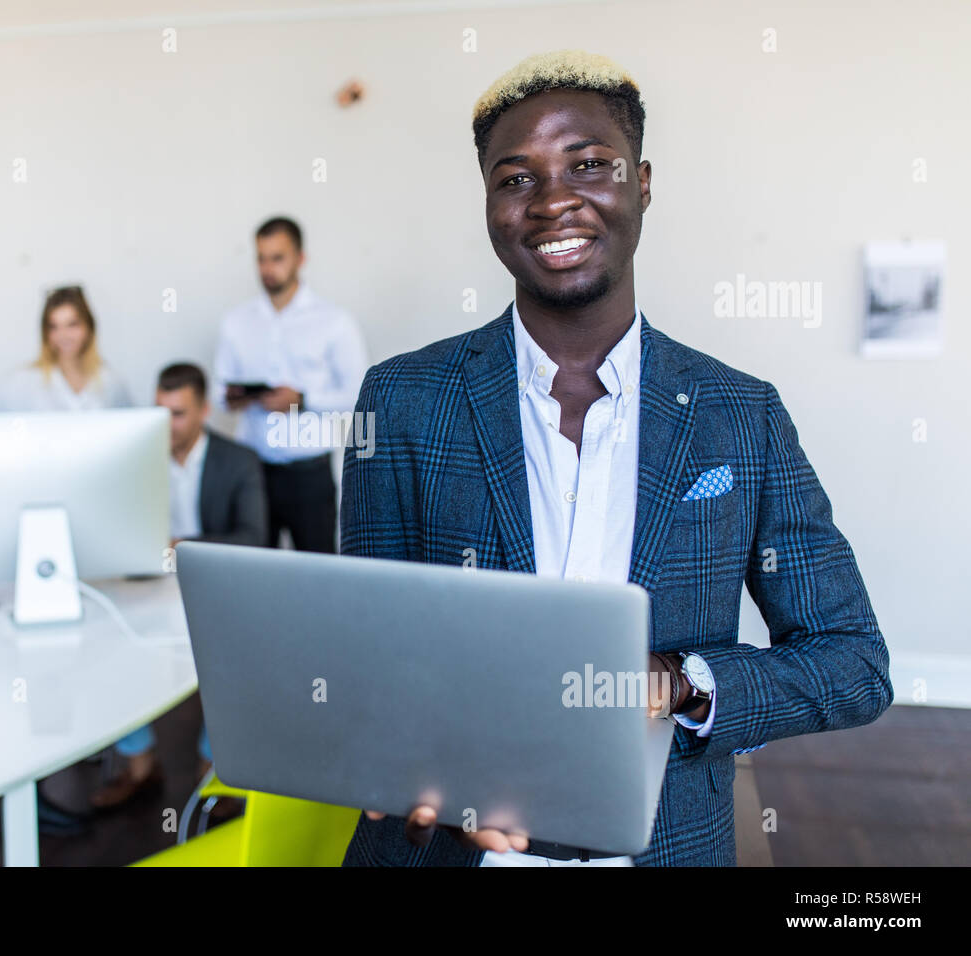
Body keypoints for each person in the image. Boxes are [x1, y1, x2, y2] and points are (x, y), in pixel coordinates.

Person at [339, 50, 892, 867]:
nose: (554, 200)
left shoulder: (742, 415)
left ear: (641, 182)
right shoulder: (404, 398)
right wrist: (420, 777)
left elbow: (853, 662)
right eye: (515, 177)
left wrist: (678, 681)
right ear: (489, 204)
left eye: (589, 165)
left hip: (663, 846)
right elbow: (365, 655)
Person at [90, 362, 269, 811]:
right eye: (160, 412)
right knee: (107, 639)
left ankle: (215, 765)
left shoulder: (238, 460)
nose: (166, 425)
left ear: (204, 410)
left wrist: (179, 546)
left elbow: (253, 537)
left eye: (178, 414)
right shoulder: (133, 460)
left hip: (210, 582)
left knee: (229, 654)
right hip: (146, 584)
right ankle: (138, 759)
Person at [212, 217, 366, 553]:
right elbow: (217, 396)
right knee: (253, 572)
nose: (267, 268)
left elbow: (359, 396)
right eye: (261, 258)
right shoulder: (236, 322)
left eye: (277, 257)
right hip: (252, 471)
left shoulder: (334, 322)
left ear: (300, 258)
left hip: (309, 472)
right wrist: (236, 397)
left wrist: (302, 399)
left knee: (317, 575)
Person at [0, 285, 131, 411]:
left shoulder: (110, 382)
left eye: (72, 324)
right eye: (54, 327)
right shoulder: (23, 381)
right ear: (45, 333)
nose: (63, 335)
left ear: (89, 328)